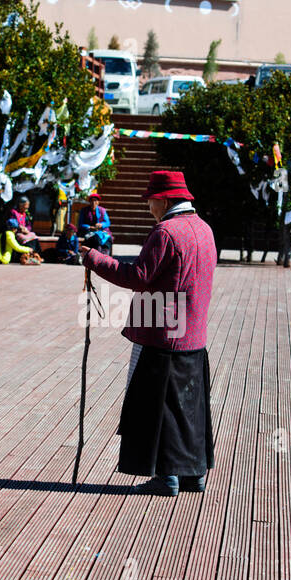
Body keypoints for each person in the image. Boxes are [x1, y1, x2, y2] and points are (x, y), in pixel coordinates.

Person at [82, 170, 216, 496]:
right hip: (194, 335)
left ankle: (166, 476)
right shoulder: (204, 229)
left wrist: (93, 259)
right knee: (188, 409)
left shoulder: (166, 232)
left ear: (165, 199)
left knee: (158, 409)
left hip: (162, 333)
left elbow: (138, 276)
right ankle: (193, 473)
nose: (148, 207)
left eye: (150, 200)